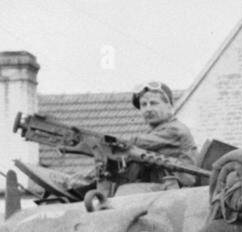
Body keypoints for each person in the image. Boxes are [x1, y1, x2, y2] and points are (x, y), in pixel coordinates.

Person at [50, 80, 197, 197]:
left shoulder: (175, 130)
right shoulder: (158, 130)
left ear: (169, 105)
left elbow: (133, 145)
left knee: (124, 193)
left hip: (176, 188)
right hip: (165, 186)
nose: (147, 109)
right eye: (143, 105)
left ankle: (73, 183)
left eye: (153, 103)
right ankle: (75, 182)